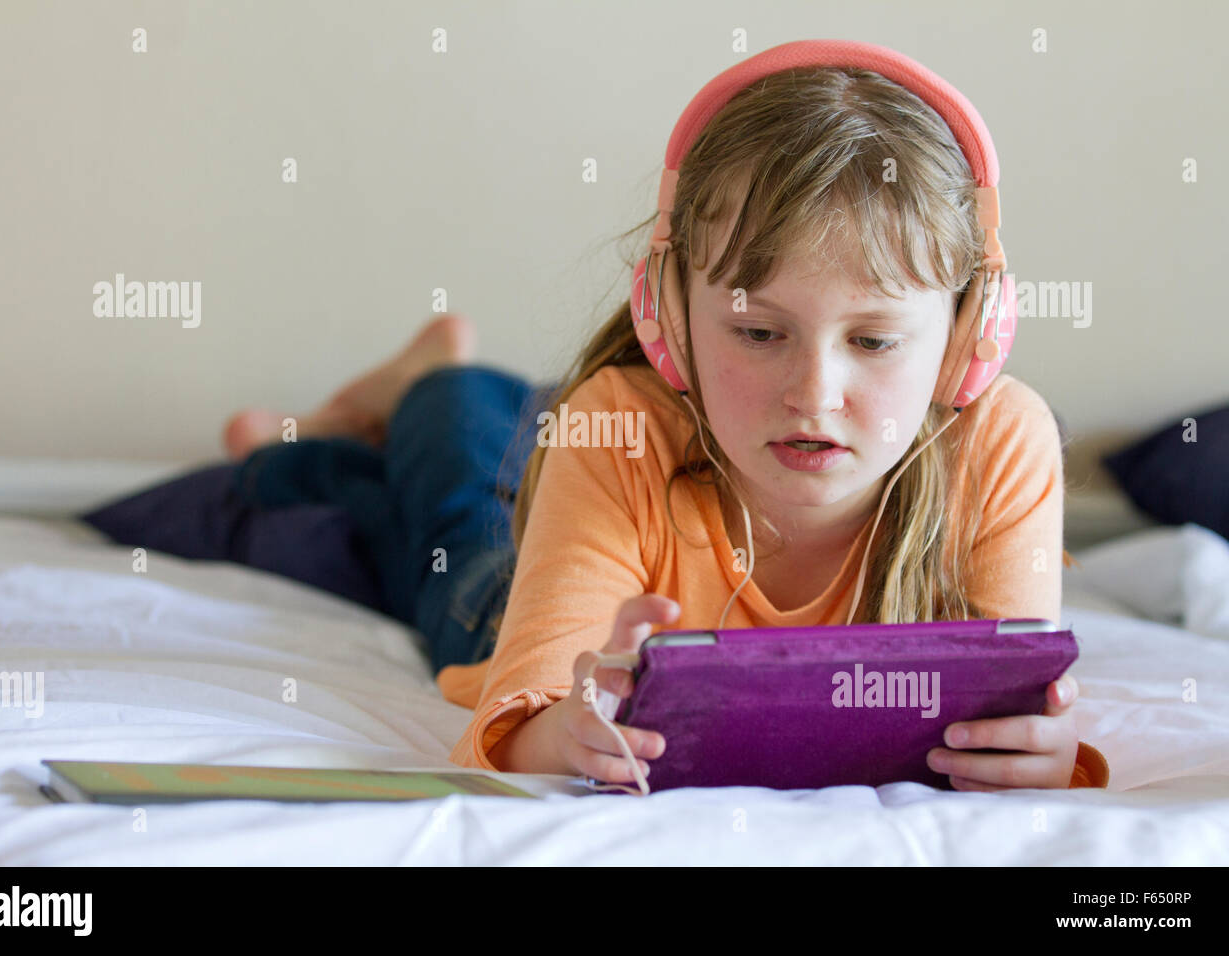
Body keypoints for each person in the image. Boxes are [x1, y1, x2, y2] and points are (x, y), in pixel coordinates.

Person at [96, 40, 1110, 794]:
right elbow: (527, 716)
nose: (813, 391)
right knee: (454, 514)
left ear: (973, 337)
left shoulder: (1000, 440)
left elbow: (1020, 709)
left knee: (371, 520)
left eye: (875, 341)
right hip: (509, 606)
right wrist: (566, 730)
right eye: (758, 332)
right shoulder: (614, 423)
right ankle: (429, 384)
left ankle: (385, 411)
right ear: (666, 314)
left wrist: (1044, 749)